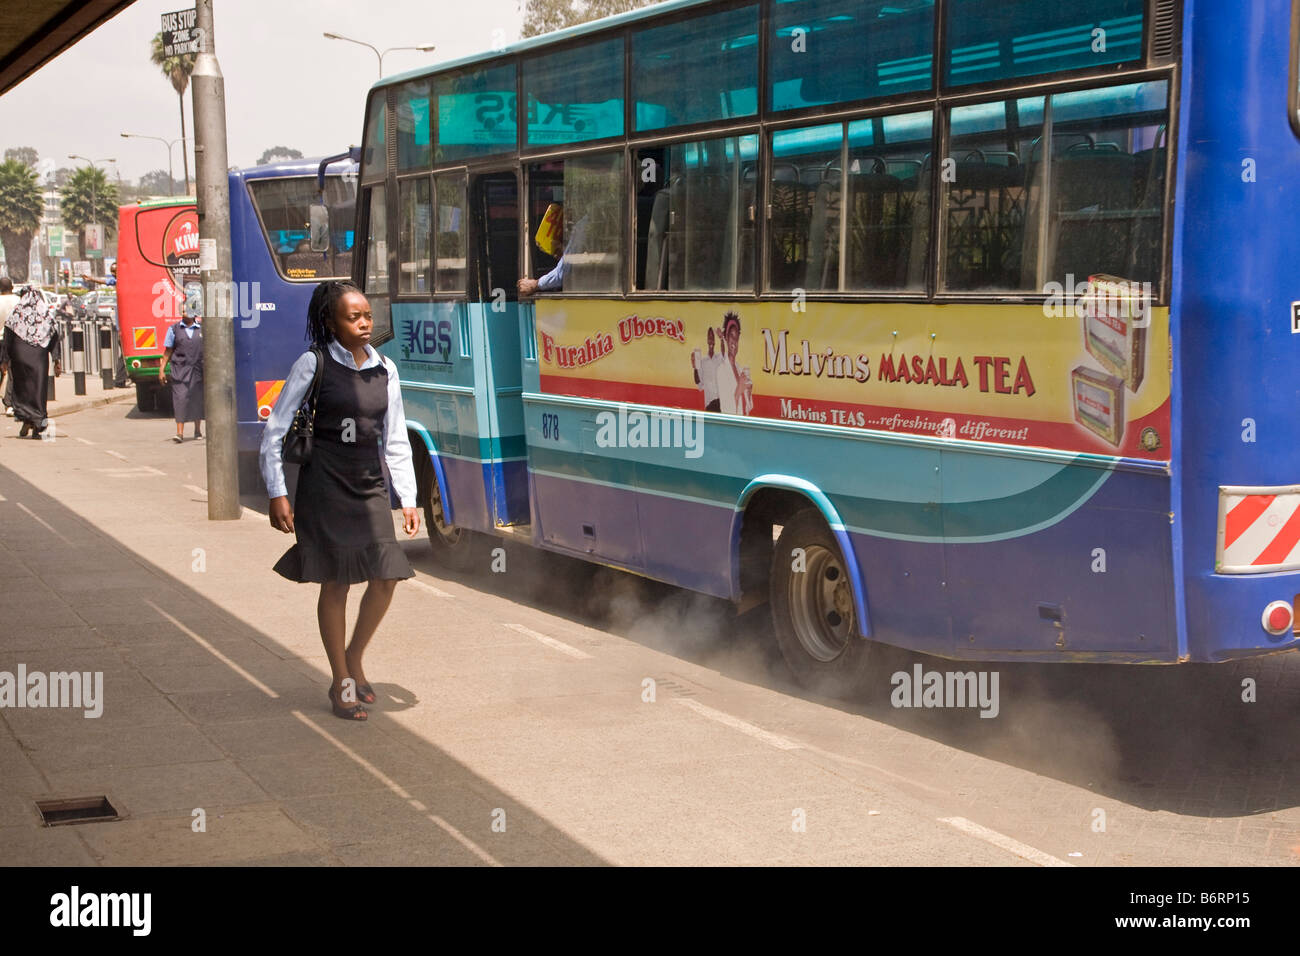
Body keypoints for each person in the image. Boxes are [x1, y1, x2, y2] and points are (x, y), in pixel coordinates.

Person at [259, 280, 421, 721]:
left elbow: (396, 439)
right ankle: (341, 681)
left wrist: (407, 497)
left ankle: (354, 655)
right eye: (354, 316)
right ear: (331, 321)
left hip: (369, 485)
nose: (365, 322)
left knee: (386, 576)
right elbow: (275, 430)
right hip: (325, 484)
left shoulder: (385, 369)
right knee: (338, 582)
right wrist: (277, 491)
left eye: (368, 314)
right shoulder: (312, 364)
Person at [0, 285, 63, 438]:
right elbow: (54, 337)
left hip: (19, 360)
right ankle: (38, 424)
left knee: (22, 391)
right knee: (38, 392)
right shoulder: (45, 316)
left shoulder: (17, 314)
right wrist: (56, 360)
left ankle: (26, 420)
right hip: (39, 361)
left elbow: (8, 338)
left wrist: (4, 360)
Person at [517, 205, 589, 296]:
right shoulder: (601, 220)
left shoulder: (584, 225)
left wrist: (535, 284)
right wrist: (564, 253)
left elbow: (564, 273)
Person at [158, 312, 203, 442]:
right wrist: (162, 369)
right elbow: (168, 351)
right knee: (180, 399)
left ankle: (197, 430)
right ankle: (180, 433)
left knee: (197, 400)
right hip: (180, 370)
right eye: (183, 310)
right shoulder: (174, 329)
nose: (184, 313)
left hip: (198, 371)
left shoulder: (202, 329)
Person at [715, 311, 753, 416]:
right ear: (726, 338)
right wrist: (739, 390)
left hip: (744, 425)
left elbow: (748, 408)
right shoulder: (721, 370)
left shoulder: (740, 369)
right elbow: (726, 410)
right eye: (731, 336)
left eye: (737, 338)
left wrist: (748, 392)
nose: (734, 341)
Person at [692, 326, 725, 412]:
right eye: (709, 338)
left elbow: (724, 353)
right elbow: (698, 382)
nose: (711, 340)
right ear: (707, 340)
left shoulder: (719, 358)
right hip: (710, 403)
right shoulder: (702, 362)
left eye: (712, 337)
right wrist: (695, 367)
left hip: (721, 402)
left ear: (714, 341)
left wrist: (721, 338)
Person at [0, 278, 19, 415]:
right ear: (12, 287)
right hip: (12, 340)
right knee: (12, 371)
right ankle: (9, 402)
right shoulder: (19, 301)